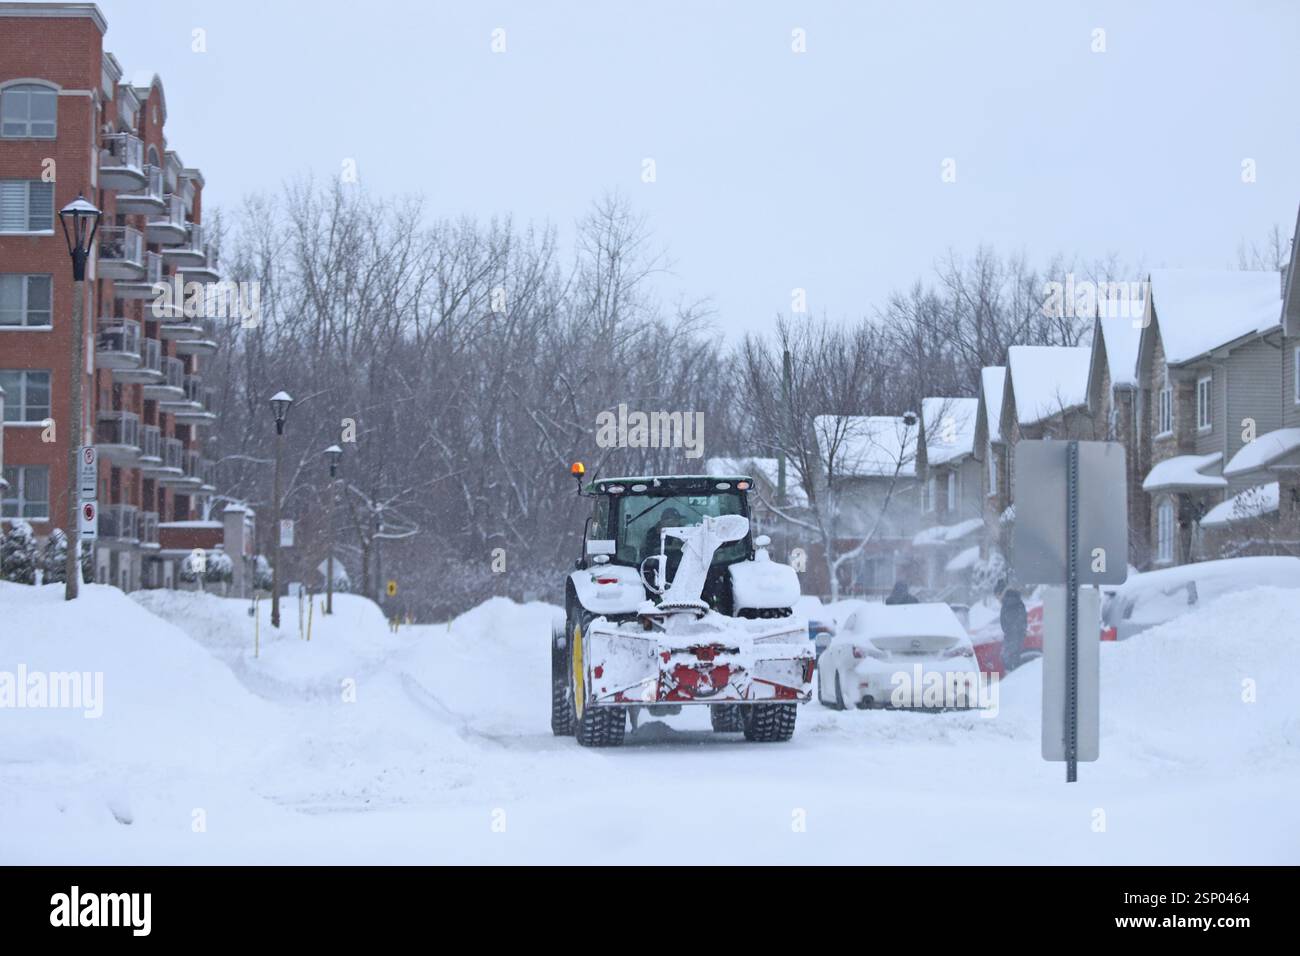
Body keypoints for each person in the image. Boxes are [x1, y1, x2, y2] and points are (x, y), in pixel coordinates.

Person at [996, 577, 1028, 672]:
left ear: (1000, 593)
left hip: (1013, 648)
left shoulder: (1010, 602)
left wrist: (1007, 654)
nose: (997, 599)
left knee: (1013, 668)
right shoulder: (1011, 600)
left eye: (997, 596)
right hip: (1014, 645)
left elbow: (1013, 630)